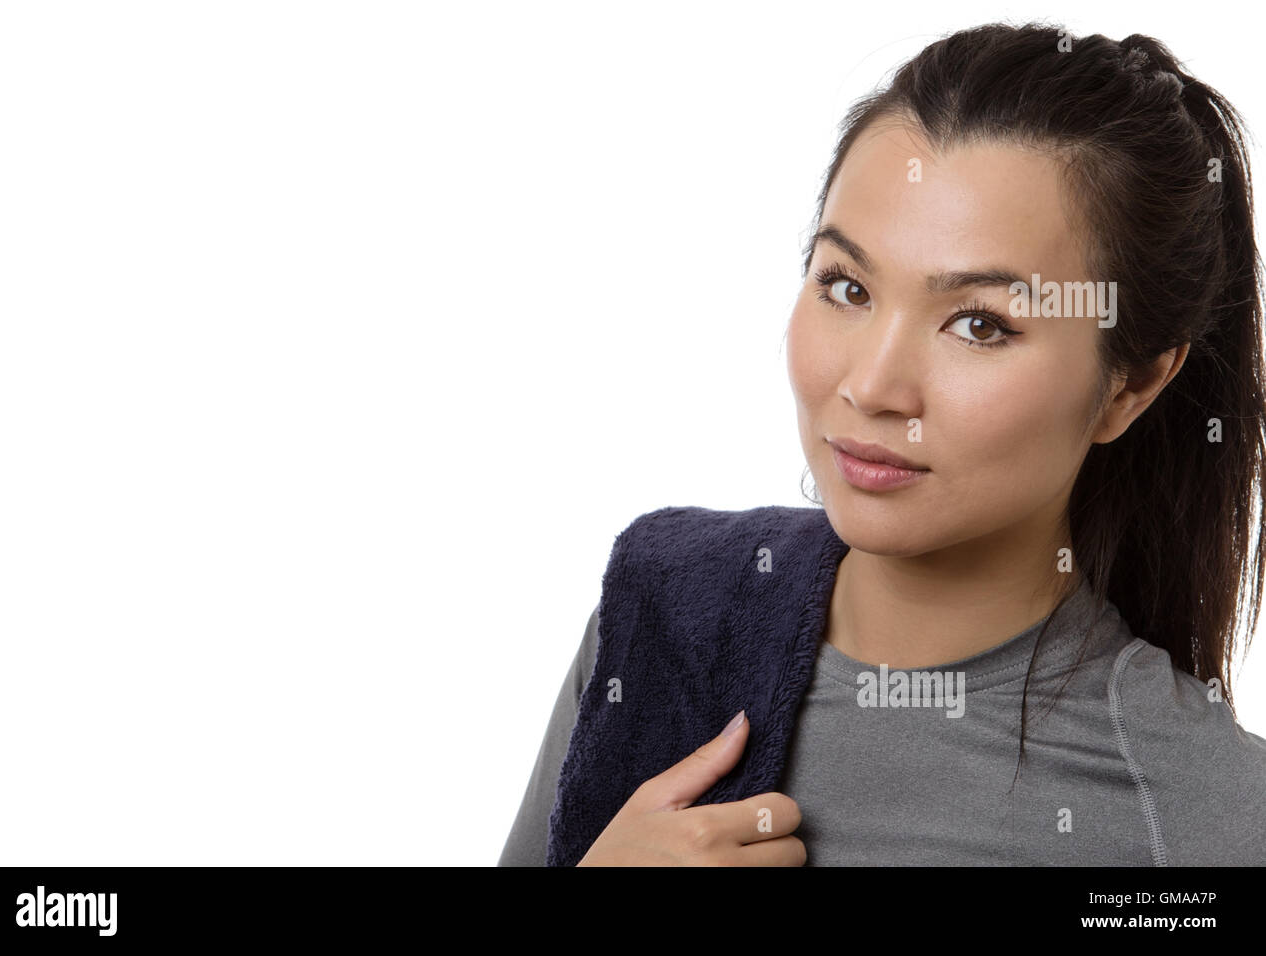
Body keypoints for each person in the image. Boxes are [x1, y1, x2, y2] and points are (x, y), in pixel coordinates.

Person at [499, 22, 1266, 866]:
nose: (871, 386)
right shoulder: (662, 612)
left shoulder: (1206, 814)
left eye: (979, 324)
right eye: (847, 286)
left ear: (1131, 386)